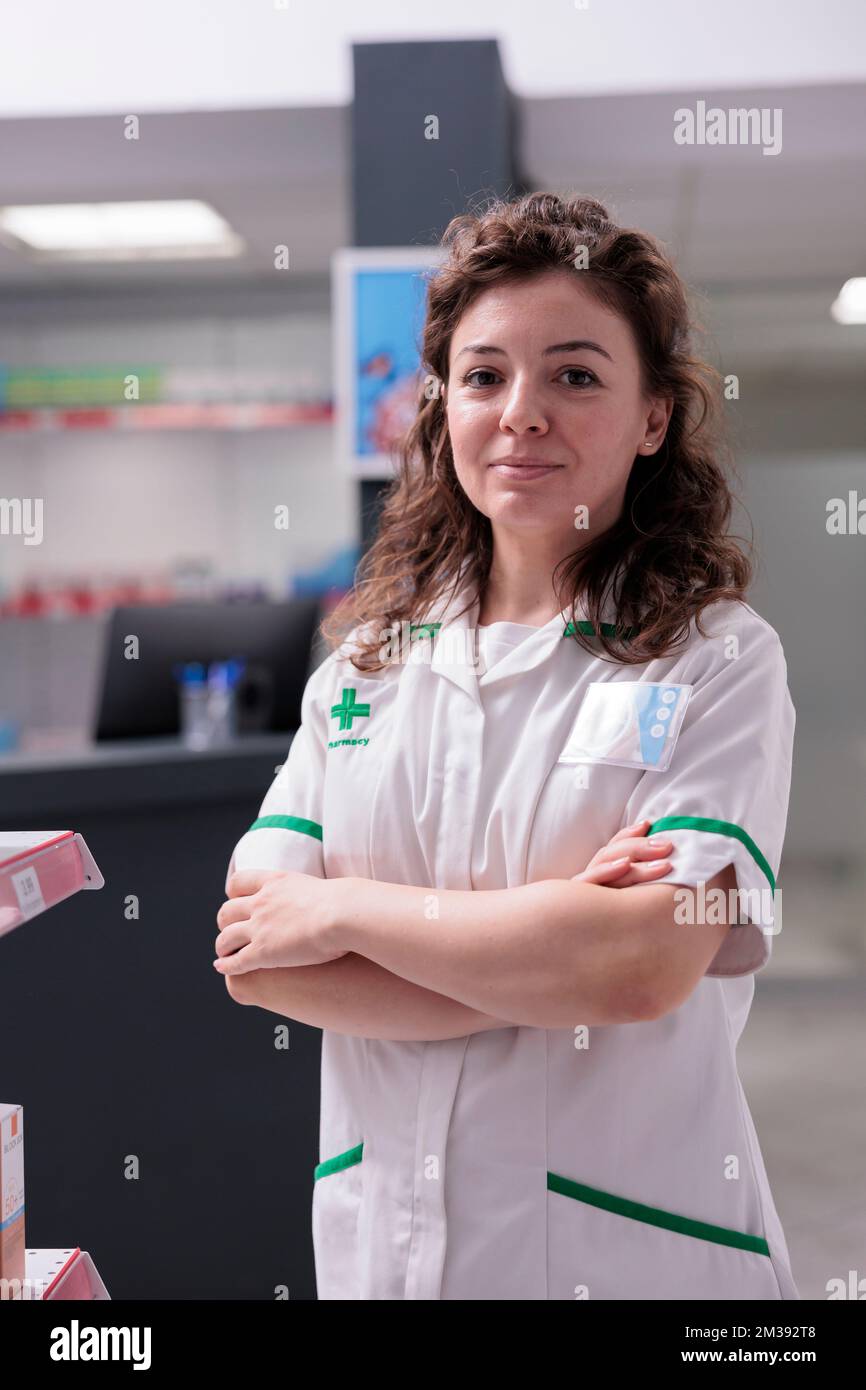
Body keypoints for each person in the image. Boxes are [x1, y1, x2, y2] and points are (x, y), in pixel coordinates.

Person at [215, 192, 798, 1301]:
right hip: (387, 1250)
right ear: (444, 407)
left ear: (651, 418)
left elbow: (637, 964)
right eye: (483, 375)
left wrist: (342, 914)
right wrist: (550, 944)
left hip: (628, 1258)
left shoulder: (714, 661)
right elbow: (258, 957)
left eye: (574, 374)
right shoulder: (362, 673)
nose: (521, 411)